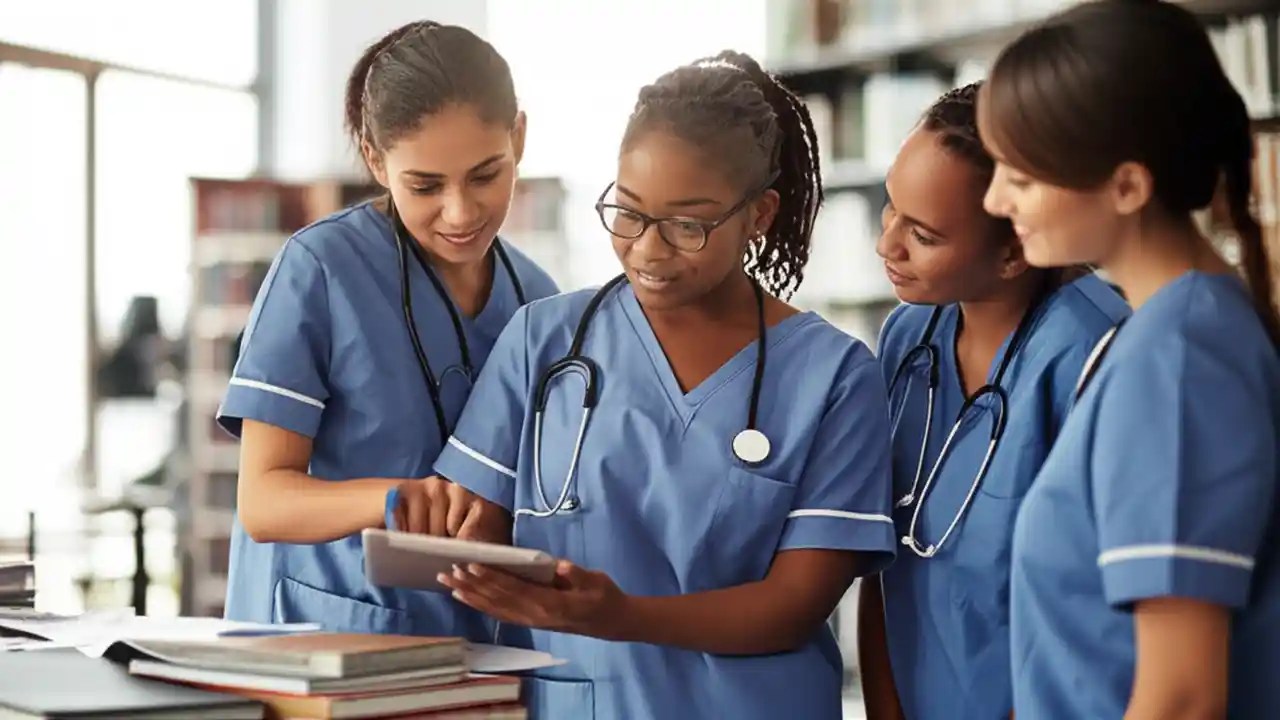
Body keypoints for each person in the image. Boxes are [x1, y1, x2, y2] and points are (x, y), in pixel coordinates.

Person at [419, 51, 896, 718]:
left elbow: (793, 607)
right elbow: (473, 525)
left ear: (758, 215)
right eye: (630, 213)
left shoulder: (834, 376)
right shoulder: (543, 342)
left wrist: (622, 616)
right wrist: (453, 547)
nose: (647, 249)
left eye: (687, 225)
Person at [978, 1, 1280, 717]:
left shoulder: (1179, 361)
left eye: (1019, 179)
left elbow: (1179, 696)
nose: (994, 199)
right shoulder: (1167, 333)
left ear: (1126, 186)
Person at [215, 21, 558, 638]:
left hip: (477, 648)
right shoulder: (322, 270)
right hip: (318, 639)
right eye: (425, 186)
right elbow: (263, 502)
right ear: (376, 160)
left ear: (520, 137)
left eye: (486, 175)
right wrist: (397, 496)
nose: (460, 212)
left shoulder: (538, 303)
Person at [857, 82, 1129, 720]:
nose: (886, 245)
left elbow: (1105, 619)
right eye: (887, 209)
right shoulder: (907, 335)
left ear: (1015, 248)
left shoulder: (1099, 354)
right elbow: (883, 558)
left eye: (922, 235)